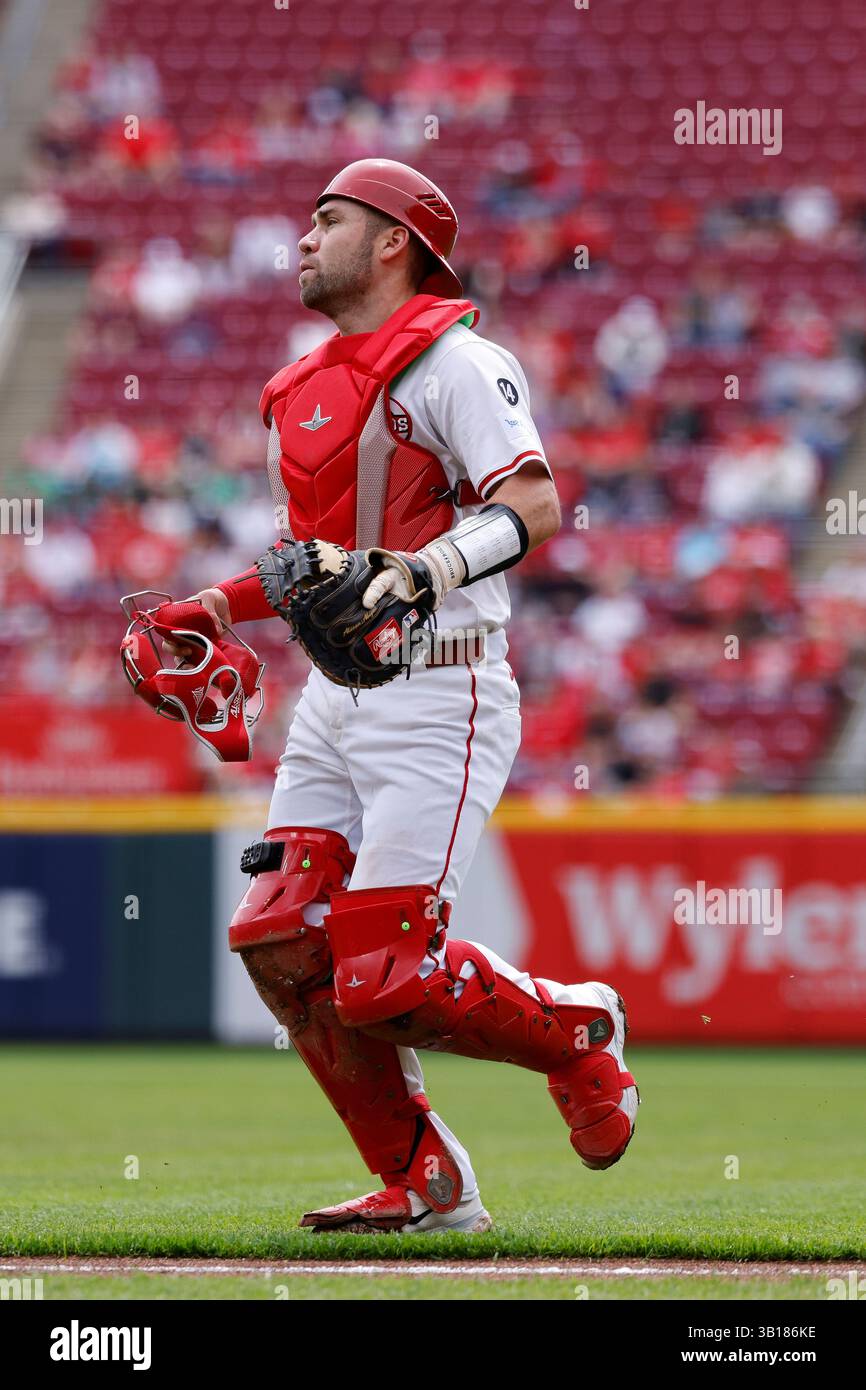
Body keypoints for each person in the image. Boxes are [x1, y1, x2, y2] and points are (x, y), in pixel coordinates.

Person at [172, 159, 639, 1233]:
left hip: (444, 685)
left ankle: (577, 1029)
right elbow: (311, 568)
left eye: (326, 218)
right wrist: (214, 603)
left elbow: (533, 501)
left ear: (393, 240)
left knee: (382, 976)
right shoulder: (309, 382)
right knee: (279, 936)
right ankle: (425, 1180)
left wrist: (424, 570)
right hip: (336, 698)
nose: (302, 237)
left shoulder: (458, 362)